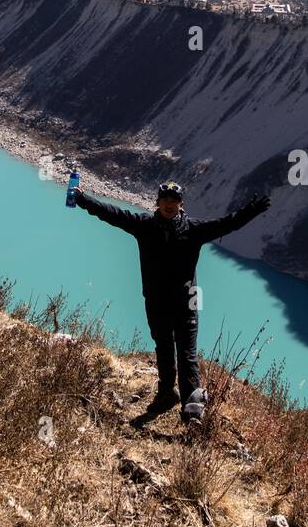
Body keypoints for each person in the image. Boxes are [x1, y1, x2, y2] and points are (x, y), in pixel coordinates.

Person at [72, 180, 271, 423]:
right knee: (164, 349)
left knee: (187, 354)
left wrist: (252, 210)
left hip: (187, 303)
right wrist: (83, 200)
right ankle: (166, 394)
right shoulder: (143, 225)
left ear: (181, 204)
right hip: (156, 301)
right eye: (165, 200)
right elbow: (111, 213)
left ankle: (193, 409)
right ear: (157, 202)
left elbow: (228, 224)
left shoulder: (193, 229)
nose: (169, 205)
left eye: (174, 201)